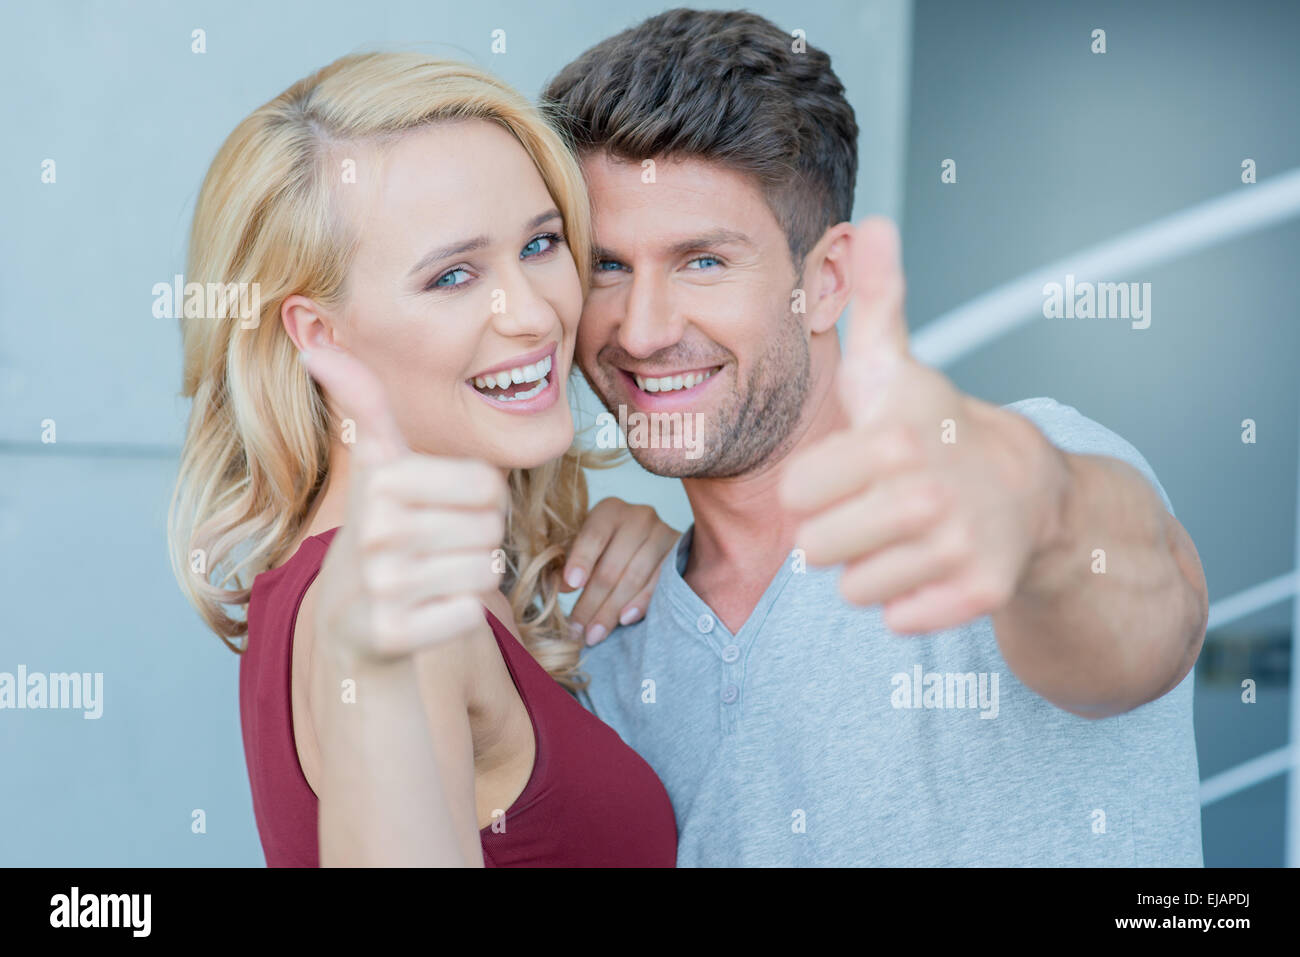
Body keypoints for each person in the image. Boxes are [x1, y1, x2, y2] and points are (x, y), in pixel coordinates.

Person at [545, 9, 1210, 866]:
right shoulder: (604, 631)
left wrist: (1043, 520)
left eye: (703, 261)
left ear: (825, 282)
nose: (640, 330)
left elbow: (1148, 618)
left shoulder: (1015, 479)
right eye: (608, 266)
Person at [168, 52, 679, 866]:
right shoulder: (391, 612)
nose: (534, 314)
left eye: (542, 244)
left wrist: (654, 560)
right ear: (319, 335)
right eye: (453, 275)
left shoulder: (444, 584)